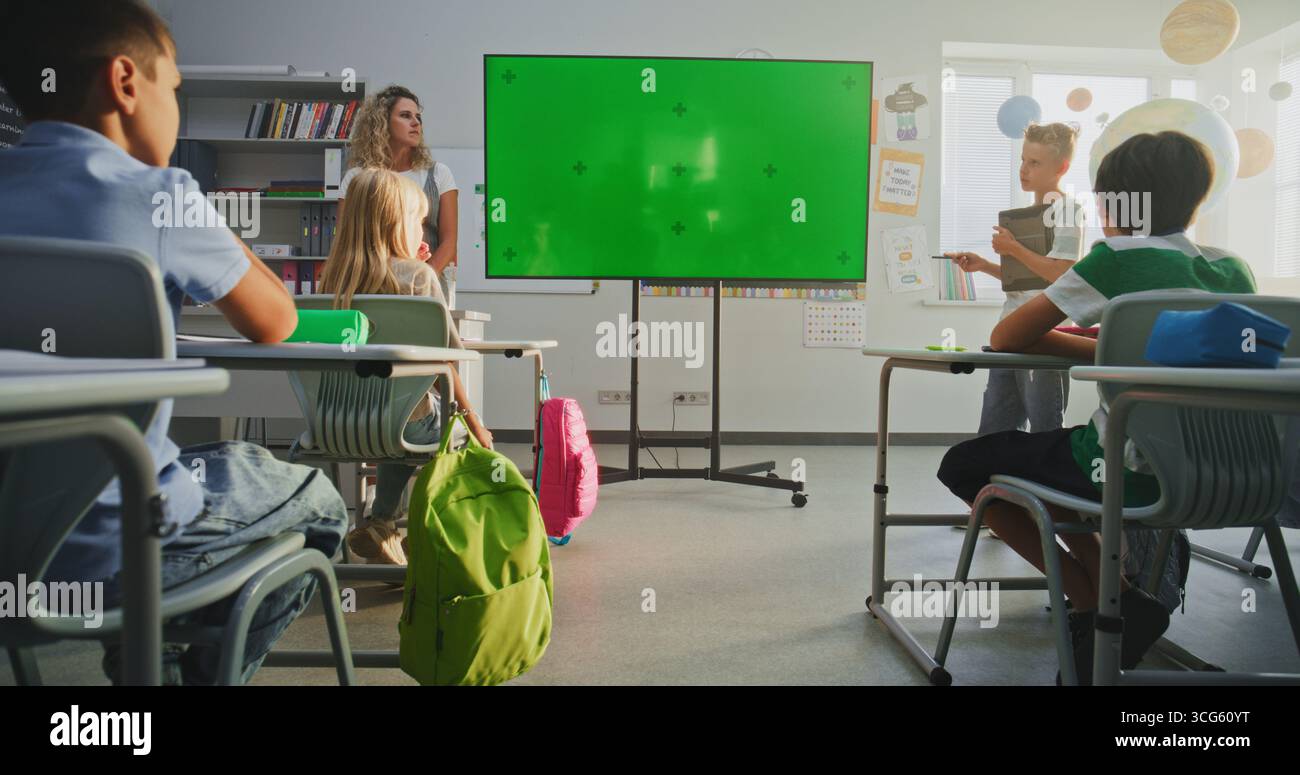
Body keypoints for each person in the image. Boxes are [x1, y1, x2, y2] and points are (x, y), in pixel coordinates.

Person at [0, 0, 348, 684]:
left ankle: (147, 657)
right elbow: (275, 319)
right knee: (317, 498)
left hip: (11, 548)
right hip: (121, 547)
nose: (177, 111)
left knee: (216, 461)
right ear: (127, 83)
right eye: (176, 89)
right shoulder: (160, 195)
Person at [936, 130, 1257, 684]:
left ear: (1112, 204)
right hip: (1231, 478)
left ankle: (1100, 603)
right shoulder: (1233, 270)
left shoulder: (1115, 260)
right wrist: (1120, 345)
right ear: (1197, 199)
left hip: (1124, 470)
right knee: (1051, 462)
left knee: (966, 464)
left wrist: (1101, 343)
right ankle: (1119, 601)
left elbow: (1007, 335)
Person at [321, 168, 493, 565]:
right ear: (398, 224)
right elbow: (446, 361)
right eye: (418, 222)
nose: (424, 231)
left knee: (395, 427)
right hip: (404, 420)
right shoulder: (418, 277)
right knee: (445, 431)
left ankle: (381, 525)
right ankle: (427, 529)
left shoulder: (333, 279)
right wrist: (474, 421)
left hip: (337, 420)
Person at [946, 122, 1086, 434]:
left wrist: (1013, 248)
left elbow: (1061, 274)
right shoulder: (1026, 214)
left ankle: (1041, 482)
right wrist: (984, 265)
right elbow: (1028, 279)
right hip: (1009, 330)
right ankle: (996, 483)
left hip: (1043, 334)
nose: (1024, 169)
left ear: (1061, 167)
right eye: (1023, 160)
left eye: (1034, 163)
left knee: (1045, 427)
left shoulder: (1067, 210)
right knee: (996, 426)